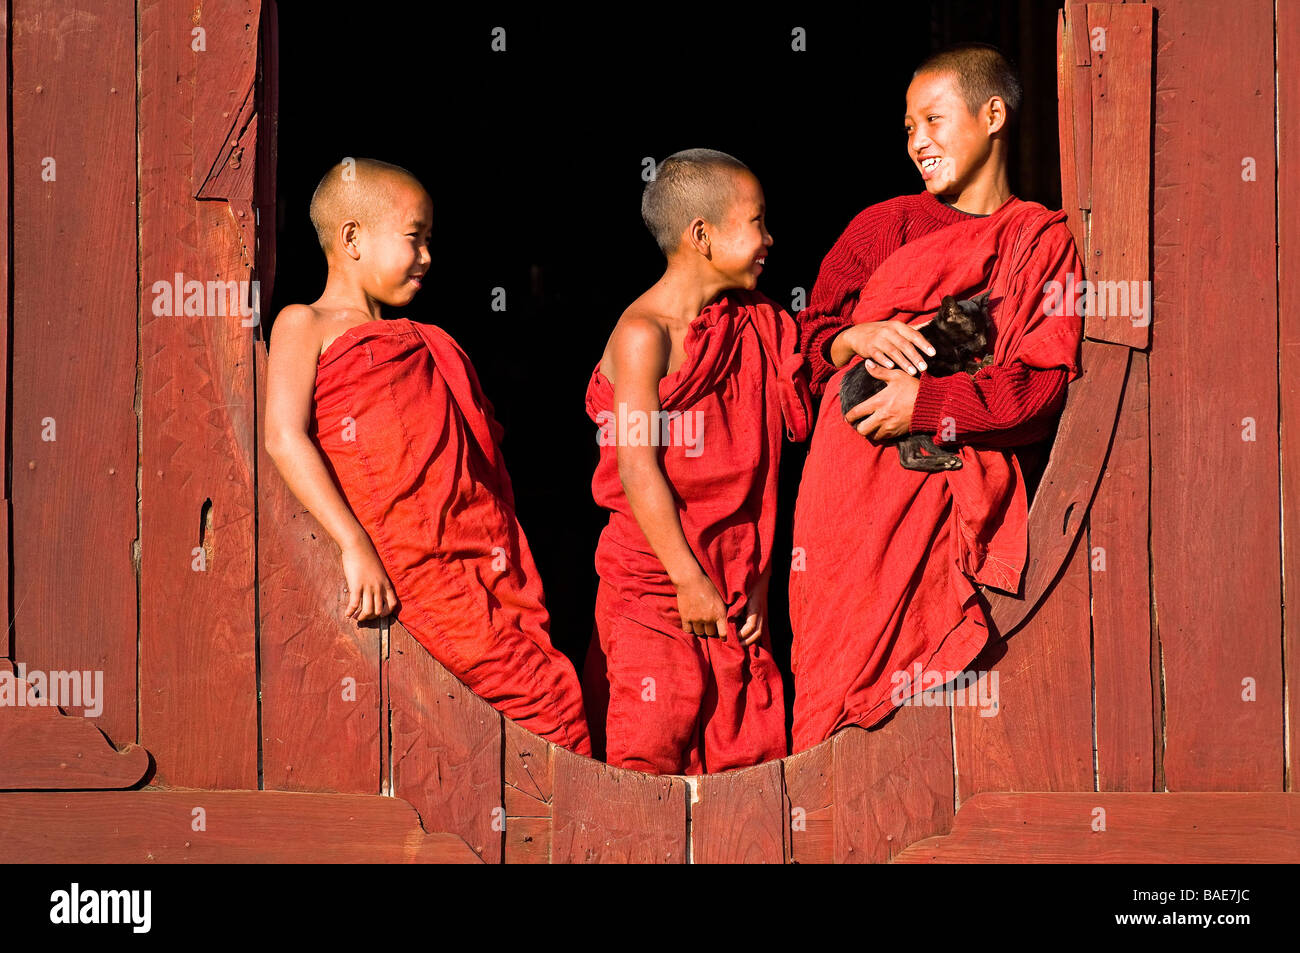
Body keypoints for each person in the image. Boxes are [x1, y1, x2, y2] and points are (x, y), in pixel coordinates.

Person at [789, 45, 1084, 751]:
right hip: (844, 508)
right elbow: (806, 348)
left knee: (935, 721)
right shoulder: (884, 227)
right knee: (834, 690)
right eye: (908, 126)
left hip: (947, 497)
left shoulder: (1040, 241)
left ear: (993, 115)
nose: (918, 140)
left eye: (933, 118)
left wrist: (923, 405)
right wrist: (852, 335)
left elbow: (1040, 388)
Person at [264, 157, 591, 755]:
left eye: (430, 242)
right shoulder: (303, 323)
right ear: (353, 238)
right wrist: (353, 544)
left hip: (478, 554)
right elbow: (284, 435)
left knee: (551, 693)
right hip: (414, 562)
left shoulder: (427, 343)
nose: (427, 258)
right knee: (536, 699)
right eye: (414, 239)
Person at [581, 149, 812, 775]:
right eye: (757, 222)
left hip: (734, 584)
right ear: (701, 236)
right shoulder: (643, 335)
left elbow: (766, 465)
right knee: (651, 740)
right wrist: (686, 578)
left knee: (745, 755)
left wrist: (759, 578)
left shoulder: (757, 322)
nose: (770, 239)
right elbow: (637, 468)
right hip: (655, 579)